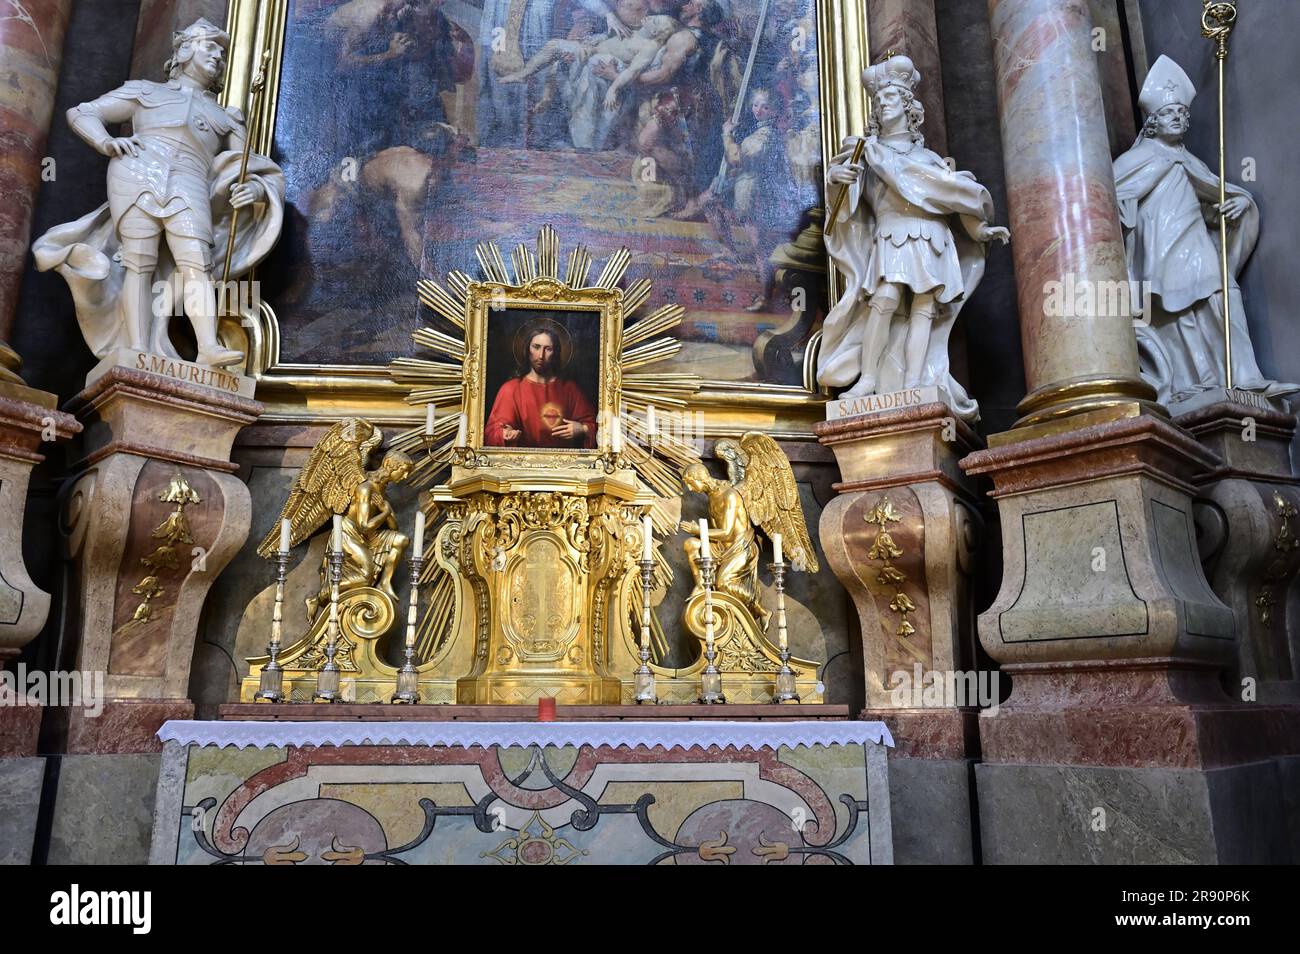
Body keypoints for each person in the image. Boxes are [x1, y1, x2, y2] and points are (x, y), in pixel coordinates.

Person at [32, 19, 285, 368]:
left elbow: (248, 167)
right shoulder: (144, 91)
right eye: (210, 46)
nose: (219, 56)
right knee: (139, 261)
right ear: (183, 51)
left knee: (197, 261)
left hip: (190, 180)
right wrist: (106, 141)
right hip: (135, 170)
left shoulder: (227, 118)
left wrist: (253, 188)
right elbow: (82, 112)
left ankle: (208, 347)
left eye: (223, 52)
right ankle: (137, 349)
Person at [816, 55, 1008, 420]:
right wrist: (836, 181)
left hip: (929, 235)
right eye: (878, 100)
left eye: (889, 98)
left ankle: (916, 381)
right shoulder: (864, 151)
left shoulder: (930, 160)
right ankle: (868, 379)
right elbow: (846, 205)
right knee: (884, 299)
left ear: (907, 107)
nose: (881, 104)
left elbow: (952, 197)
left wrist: (980, 229)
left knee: (924, 309)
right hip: (890, 234)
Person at [1113, 55, 1296, 405]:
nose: (1179, 119)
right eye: (1170, 113)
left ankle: (1245, 378)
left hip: (1194, 243)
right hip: (1160, 245)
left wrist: (1237, 204)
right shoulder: (1134, 161)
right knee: (1177, 314)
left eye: (1183, 114)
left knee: (1222, 293)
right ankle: (1195, 381)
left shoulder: (1190, 159)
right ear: (1152, 123)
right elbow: (1110, 207)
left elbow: (1213, 200)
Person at [485, 321, 598, 448]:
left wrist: (583, 429)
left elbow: (598, 427)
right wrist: (504, 434)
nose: (541, 356)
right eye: (536, 347)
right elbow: (491, 432)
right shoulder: (511, 389)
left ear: (555, 353)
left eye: (548, 349)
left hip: (564, 464)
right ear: (528, 349)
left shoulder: (570, 389)